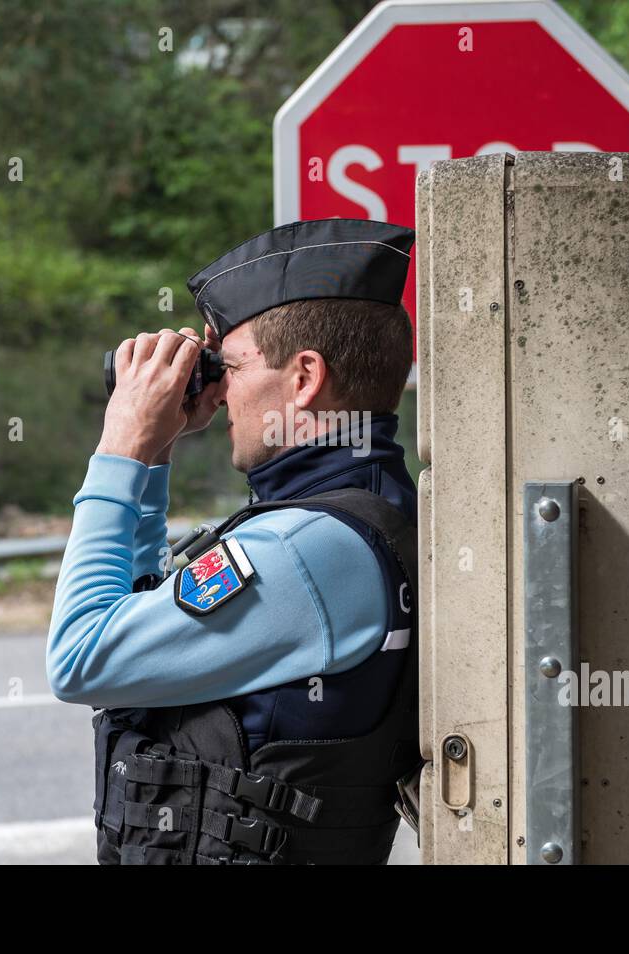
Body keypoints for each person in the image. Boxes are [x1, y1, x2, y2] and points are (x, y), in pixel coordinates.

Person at [46, 217, 422, 865]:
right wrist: (158, 451)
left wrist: (123, 441)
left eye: (230, 365)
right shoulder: (370, 511)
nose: (218, 391)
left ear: (304, 378)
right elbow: (140, 656)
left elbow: (82, 657)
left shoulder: (302, 552)